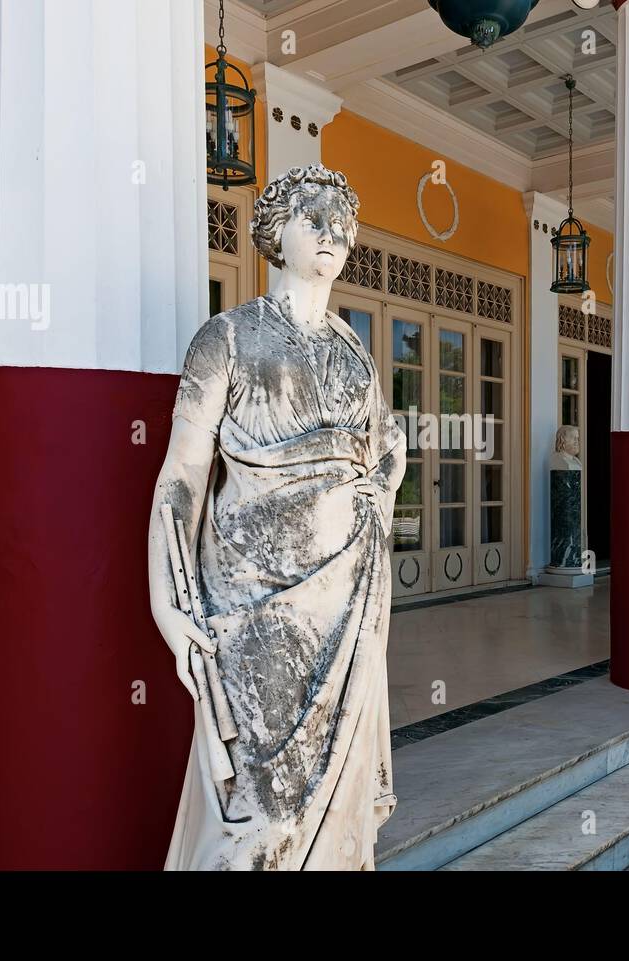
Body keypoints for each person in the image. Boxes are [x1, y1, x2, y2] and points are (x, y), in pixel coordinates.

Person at [147, 164, 406, 870]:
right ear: (276, 228)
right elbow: (181, 476)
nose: (332, 232)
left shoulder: (356, 355)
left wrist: (369, 509)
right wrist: (169, 603)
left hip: (350, 603)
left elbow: (386, 454)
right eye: (313, 216)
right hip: (252, 604)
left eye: (342, 221)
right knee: (264, 809)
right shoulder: (224, 339)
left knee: (339, 796)